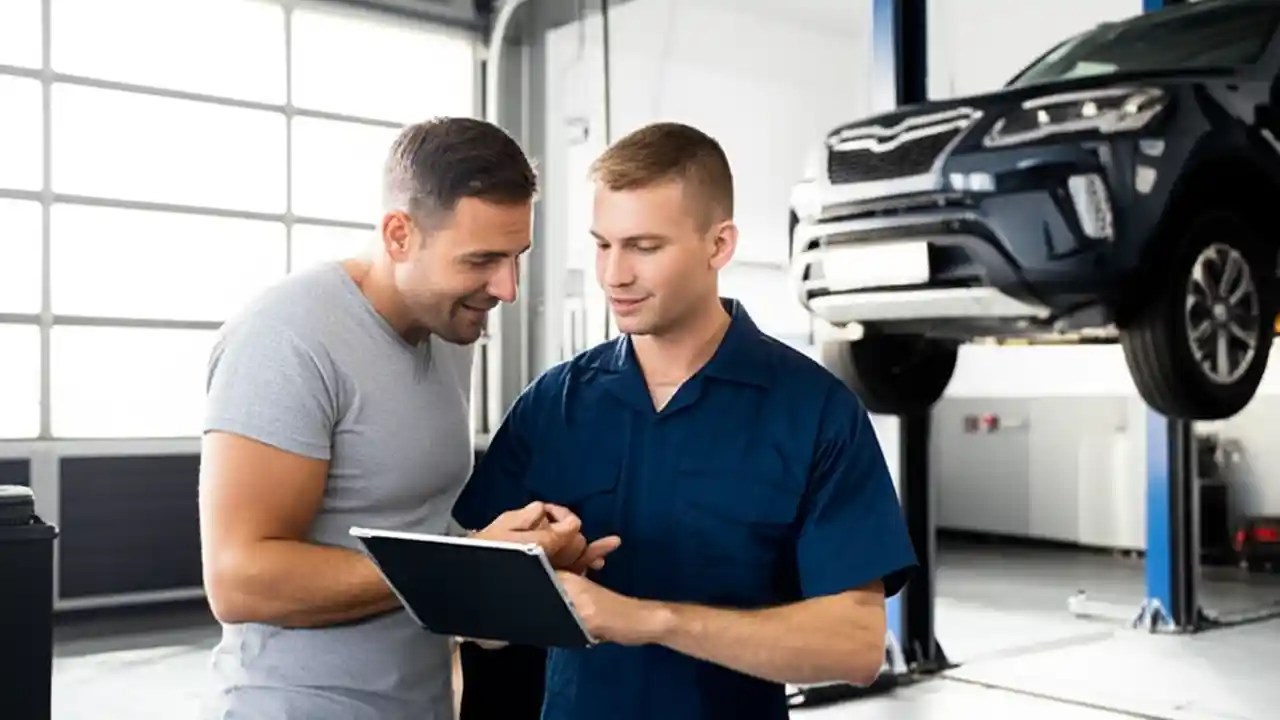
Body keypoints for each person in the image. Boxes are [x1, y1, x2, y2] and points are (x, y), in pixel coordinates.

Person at [451, 121, 919, 720]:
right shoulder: (554, 404)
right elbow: (476, 620)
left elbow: (854, 647)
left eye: (644, 247)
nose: (614, 275)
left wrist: (651, 621)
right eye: (602, 244)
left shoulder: (815, 413)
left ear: (718, 246)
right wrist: (527, 578)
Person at [197, 117, 616, 720]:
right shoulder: (286, 338)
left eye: (516, 257)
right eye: (483, 260)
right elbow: (240, 580)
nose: (507, 288)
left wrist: (520, 572)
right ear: (399, 235)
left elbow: (416, 537)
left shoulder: (449, 330)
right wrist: (475, 563)